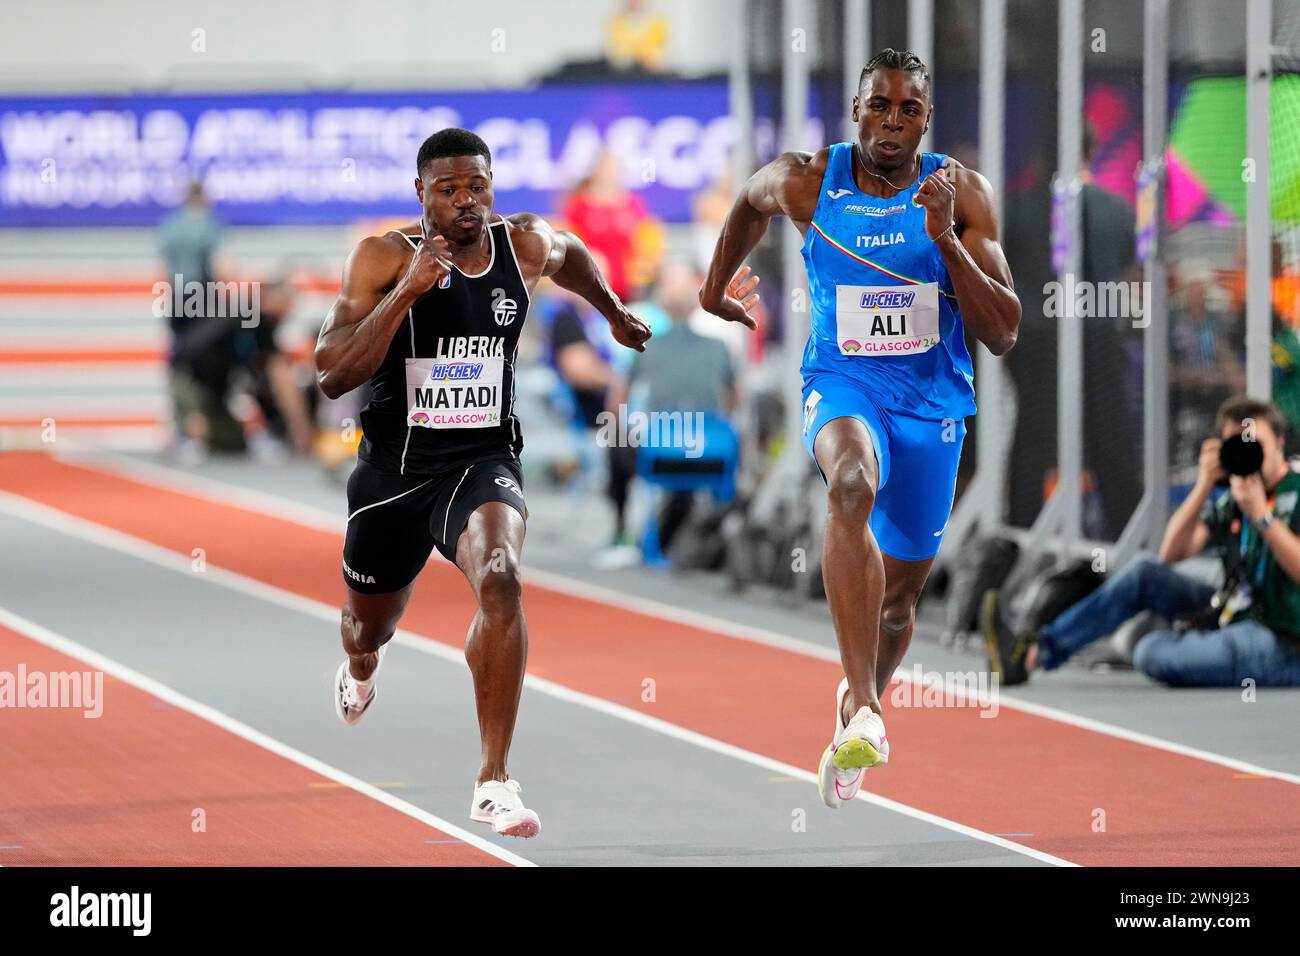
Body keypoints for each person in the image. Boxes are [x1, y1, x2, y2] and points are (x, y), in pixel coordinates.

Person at [699, 48, 1020, 809]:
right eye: (880, 105)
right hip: (842, 383)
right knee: (849, 487)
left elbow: (1004, 331)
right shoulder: (811, 179)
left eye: (909, 110)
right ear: (856, 109)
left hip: (930, 405)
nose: (892, 122)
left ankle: (855, 705)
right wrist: (715, 292)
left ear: (926, 119)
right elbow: (748, 203)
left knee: (901, 606)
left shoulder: (961, 193)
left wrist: (943, 239)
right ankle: (870, 708)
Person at [314, 128, 651, 838]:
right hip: (394, 476)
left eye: (478, 187)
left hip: (482, 460)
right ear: (421, 194)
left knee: (500, 577)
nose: (467, 202)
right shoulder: (381, 257)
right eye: (449, 190)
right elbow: (333, 373)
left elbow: (574, 255)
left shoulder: (521, 245)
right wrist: (406, 294)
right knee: (365, 628)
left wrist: (613, 312)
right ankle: (363, 665)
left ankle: (493, 780)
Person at [984, 396, 1300, 688]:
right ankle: (1033, 653)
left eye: (1254, 444)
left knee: (1151, 652)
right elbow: (1171, 553)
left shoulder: (1294, 492)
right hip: (1237, 612)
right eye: (1236, 445)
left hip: (1283, 638)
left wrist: (1261, 516)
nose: (1246, 454)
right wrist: (1204, 485)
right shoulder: (1235, 497)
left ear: (1280, 444)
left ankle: (1196, 642)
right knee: (1144, 573)